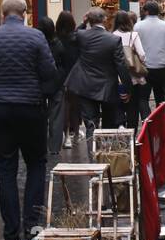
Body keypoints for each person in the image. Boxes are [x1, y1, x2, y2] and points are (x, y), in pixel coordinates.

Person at [0, 0, 59, 240]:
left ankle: (11, 232)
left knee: (6, 171)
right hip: (30, 109)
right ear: (24, 12)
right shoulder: (36, 37)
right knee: (36, 164)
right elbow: (49, 73)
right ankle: (32, 226)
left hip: (1, 109)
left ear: (2, 14)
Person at [66, 8, 132, 142]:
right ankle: (106, 155)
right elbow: (121, 66)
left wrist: (83, 23)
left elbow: (70, 37)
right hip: (107, 87)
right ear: (104, 19)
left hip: (85, 85)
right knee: (109, 123)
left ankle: (92, 158)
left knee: (91, 124)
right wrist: (127, 88)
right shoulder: (114, 39)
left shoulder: (82, 35)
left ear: (89, 20)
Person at [133, 0, 165, 108]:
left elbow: (133, 47)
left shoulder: (138, 26)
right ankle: (162, 122)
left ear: (146, 12)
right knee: (161, 98)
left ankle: (146, 121)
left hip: (144, 66)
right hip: (161, 66)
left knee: (143, 98)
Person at [112, 10, 148, 127]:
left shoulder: (112, 36)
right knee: (133, 106)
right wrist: (140, 61)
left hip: (117, 77)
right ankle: (132, 133)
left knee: (119, 105)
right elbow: (142, 54)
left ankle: (121, 129)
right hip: (134, 77)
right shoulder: (134, 35)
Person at [38, 16, 66, 157]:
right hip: (56, 84)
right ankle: (54, 147)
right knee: (56, 116)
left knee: (40, 116)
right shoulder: (58, 45)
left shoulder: (37, 44)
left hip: (40, 84)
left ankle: (40, 145)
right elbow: (63, 65)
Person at [56, 11, 80, 149]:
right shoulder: (76, 39)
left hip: (61, 76)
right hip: (75, 76)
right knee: (75, 107)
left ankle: (66, 136)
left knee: (65, 107)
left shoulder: (56, 38)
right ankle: (75, 133)